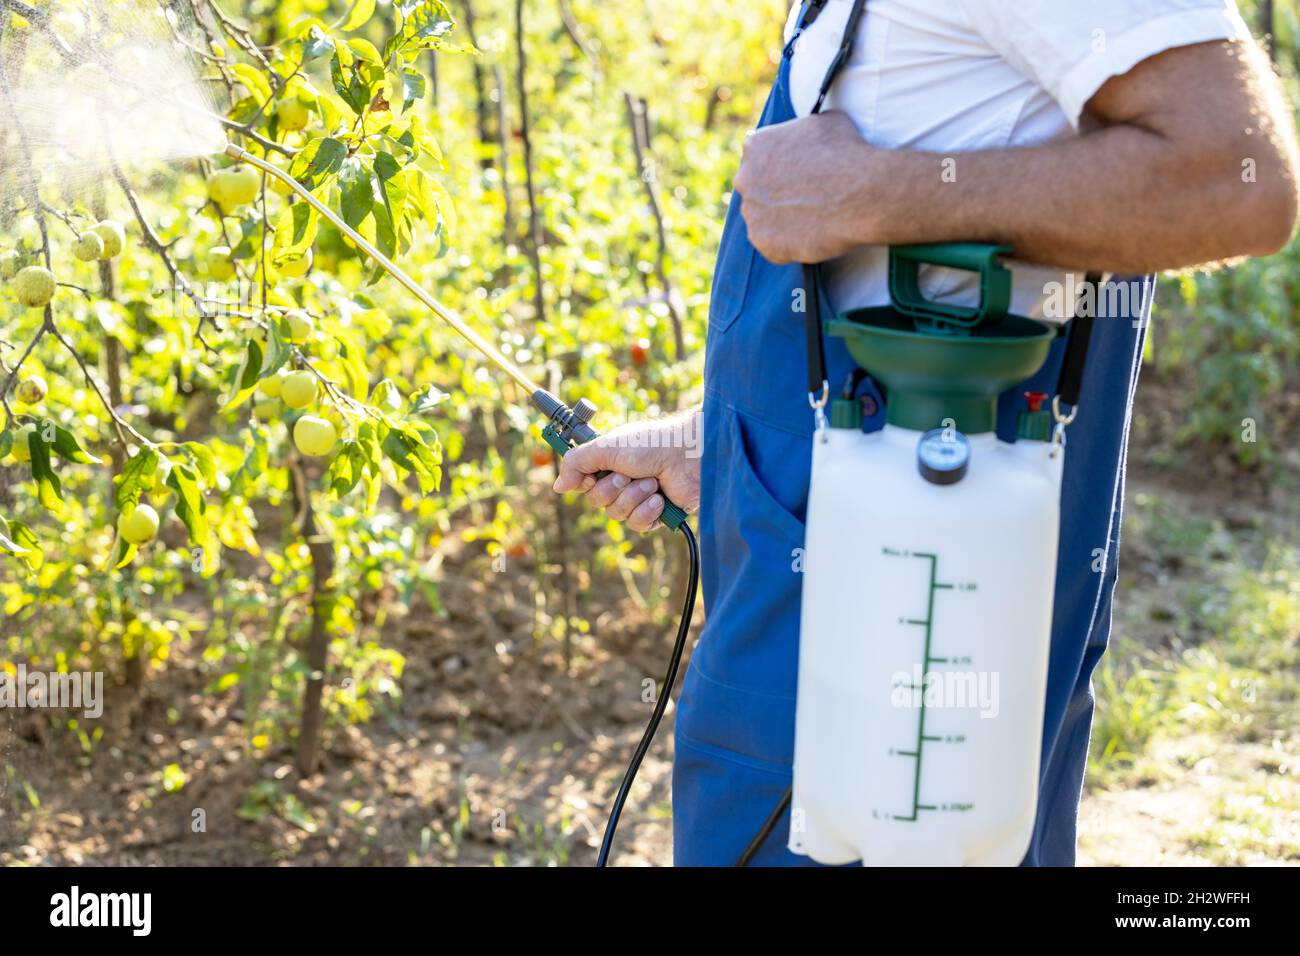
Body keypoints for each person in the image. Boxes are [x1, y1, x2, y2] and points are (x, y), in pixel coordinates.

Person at [552, 0, 1299, 865]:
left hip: (914, 610)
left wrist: (875, 193)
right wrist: (732, 445)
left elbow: (1238, 177)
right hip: (854, 559)